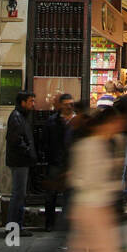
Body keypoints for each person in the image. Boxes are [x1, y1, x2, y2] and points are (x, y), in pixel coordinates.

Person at [51, 108, 126, 252]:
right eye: (116, 123)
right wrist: (115, 185)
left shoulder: (103, 144)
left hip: (91, 208)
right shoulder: (91, 146)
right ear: (107, 124)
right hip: (94, 209)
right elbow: (87, 180)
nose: (119, 127)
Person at [6, 91, 38, 231]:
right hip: (19, 161)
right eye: (31, 101)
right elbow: (16, 140)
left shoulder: (21, 116)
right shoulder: (16, 117)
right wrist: (28, 152)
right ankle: (14, 227)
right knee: (18, 194)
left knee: (19, 194)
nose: (33, 104)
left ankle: (16, 225)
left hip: (21, 160)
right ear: (23, 102)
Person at [45, 94, 75, 231]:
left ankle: (66, 223)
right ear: (61, 105)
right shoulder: (53, 121)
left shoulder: (77, 121)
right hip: (55, 161)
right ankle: (49, 223)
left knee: (70, 194)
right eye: (66, 104)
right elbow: (46, 141)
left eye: (71, 103)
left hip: (71, 163)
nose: (69, 106)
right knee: (51, 194)